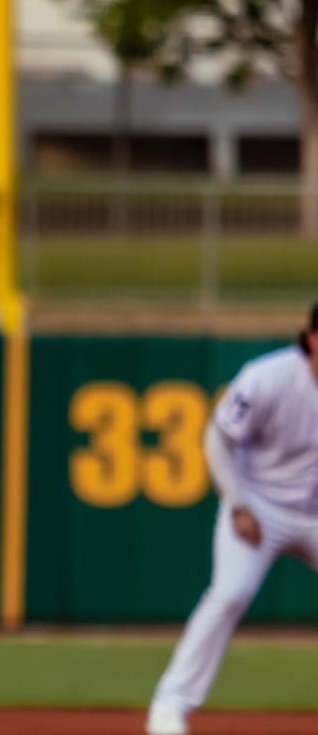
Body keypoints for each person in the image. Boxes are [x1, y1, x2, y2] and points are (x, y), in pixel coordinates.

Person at [146, 302, 318, 735]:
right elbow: (216, 438)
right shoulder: (269, 376)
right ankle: (169, 706)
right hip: (258, 506)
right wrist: (238, 503)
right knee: (230, 592)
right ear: (312, 337)